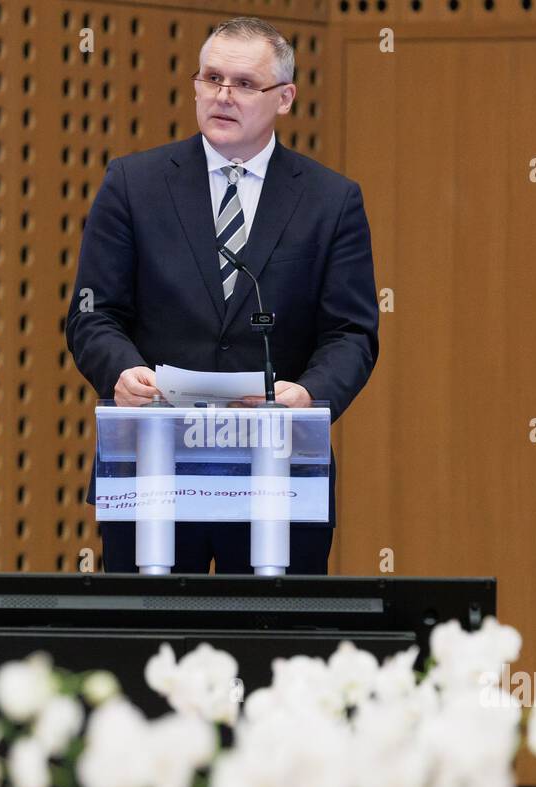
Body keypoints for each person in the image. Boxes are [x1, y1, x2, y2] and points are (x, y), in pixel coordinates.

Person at [66, 16, 379, 574]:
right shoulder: (133, 185)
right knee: (148, 649)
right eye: (211, 79)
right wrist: (122, 372)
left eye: (243, 84)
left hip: (278, 471)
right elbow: (94, 315)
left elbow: (351, 333)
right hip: (153, 466)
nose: (223, 96)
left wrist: (308, 395)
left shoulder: (331, 201)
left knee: (272, 649)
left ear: (284, 98)